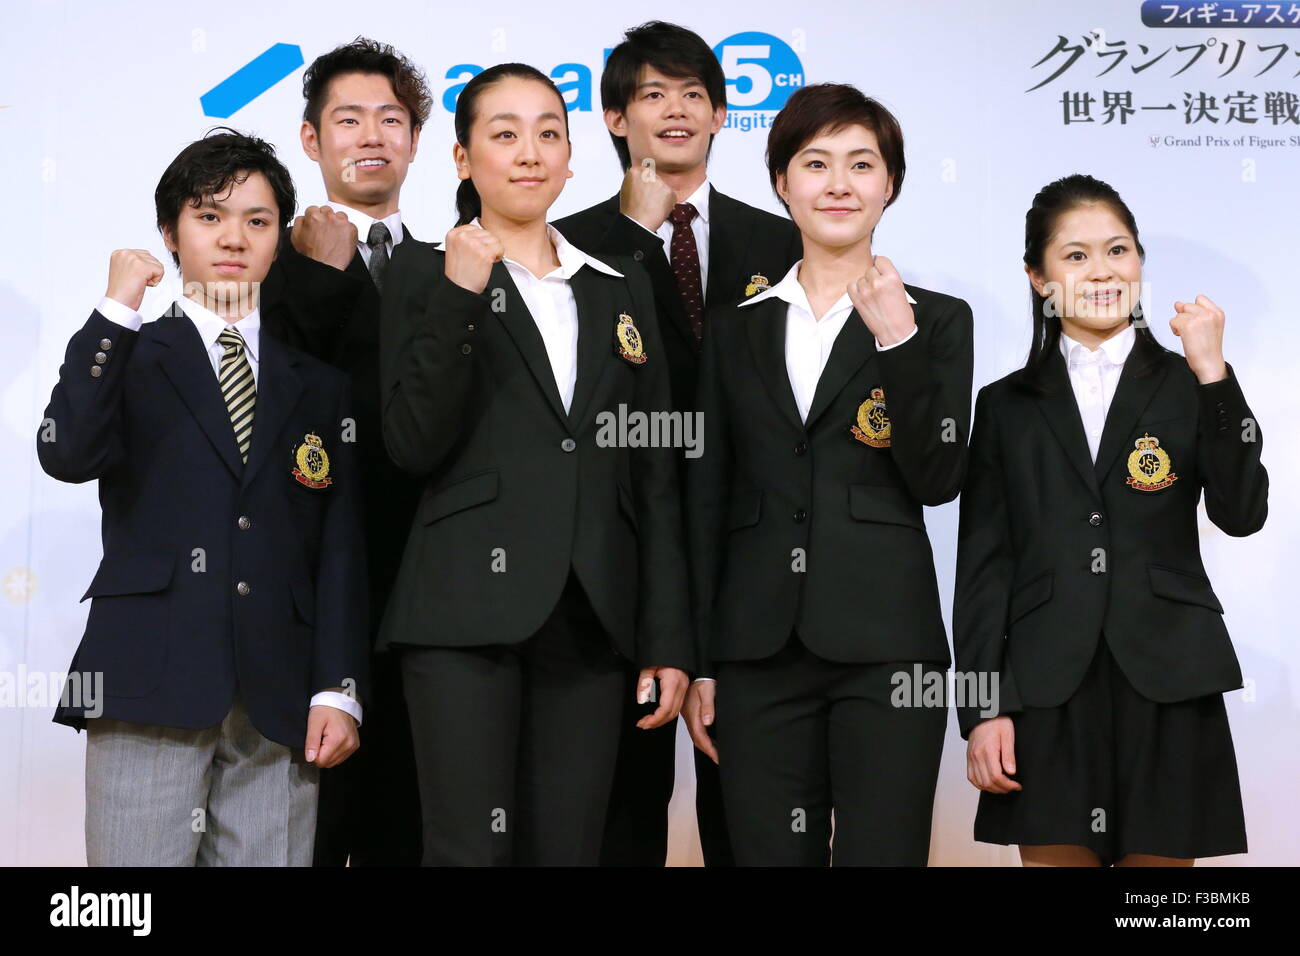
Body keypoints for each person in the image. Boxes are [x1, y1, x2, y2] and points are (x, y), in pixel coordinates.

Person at [378, 63, 692, 866]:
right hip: (460, 614)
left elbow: (653, 474)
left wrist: (666, 636)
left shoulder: (620, 288)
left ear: (571, 154)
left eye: (548, 132)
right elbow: (411, 442)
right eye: (505, 134)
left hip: (590, 614)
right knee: (465, 851)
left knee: (570, 847)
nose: (530, 153)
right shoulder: (421, 273)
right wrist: (459, 294)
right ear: (462, 159)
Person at [37, 130, 369, 866]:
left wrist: (339, 688)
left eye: (257, 221)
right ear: (170, 233)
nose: (233, 238)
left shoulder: (318, 384)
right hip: (148, 676)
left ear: (279, 240)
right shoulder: (125, 352)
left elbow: (341, 547)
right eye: (209, 216)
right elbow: (65, 452)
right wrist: (117, 308)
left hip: (280, 696)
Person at [684, 83, 973, 865]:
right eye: (816, 163)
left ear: (891, 184)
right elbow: (707, 496)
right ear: (782, 182)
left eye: (860, 164)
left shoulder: (936, 318)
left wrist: (898, 341)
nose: (838, 184)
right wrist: (703, 659)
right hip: (755, 650)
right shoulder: (736, 327)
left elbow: (938, 472)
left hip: (887, 648)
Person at [954, 173, 1267, 867]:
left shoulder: (1193, 382)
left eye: (1118, 250)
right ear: (1038, 277)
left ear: (1140, 264)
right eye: (1075, 256)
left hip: (1168, 673)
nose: (1102, 270)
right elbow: (983, 567)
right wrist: (983, 708)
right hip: (1045, 687)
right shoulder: (1005, 405)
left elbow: (1242, 512)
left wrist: (1215, 374)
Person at [554, 21, 801, 867]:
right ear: (617, 118)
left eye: (695, 94)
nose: (676, 110)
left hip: (749, 540)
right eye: (653, 93)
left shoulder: (782, 240)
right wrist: (634, 232)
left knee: (750, 787)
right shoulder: (570, 242)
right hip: (624, 538)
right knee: (622, 794)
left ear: (721, 115)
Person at [259, 35, 430, 868]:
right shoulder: (266, 264)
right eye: (349, 118)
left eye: (390, 119)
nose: (371, 135)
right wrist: (320, 276)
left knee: (419, 818)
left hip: (436, 593)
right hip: (315, 594)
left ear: (416, 139)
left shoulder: (457, 265)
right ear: (310, 140)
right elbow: (270, 418)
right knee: (314, 828)